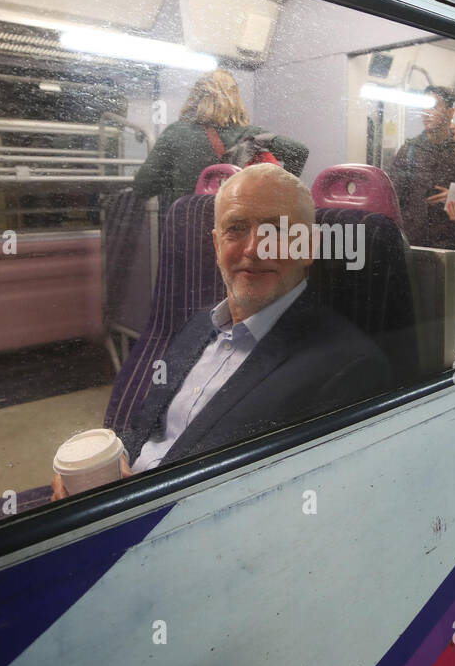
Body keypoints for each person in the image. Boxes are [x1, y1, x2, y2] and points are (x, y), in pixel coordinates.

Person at [54, 164, 390, 496]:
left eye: (276, 230)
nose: (253, 249)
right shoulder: (199, 325)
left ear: (310, 247)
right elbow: (146, 429)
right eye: (236, 228)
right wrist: (108, 465)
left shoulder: (347, 370)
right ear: (217, 246)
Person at [132, 69, 308, 211]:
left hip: (189, 229)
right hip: (236, 229)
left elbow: (143, 186)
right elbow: (299, 151)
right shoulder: (253, 136)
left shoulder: (176, 132)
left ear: (196, 97)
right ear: (236, 99)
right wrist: (282, 192)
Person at [388, 86, 455, 249]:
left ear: (451, 112)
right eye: (424, 106)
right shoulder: (409, 150)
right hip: (409, 246)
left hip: (446, 246)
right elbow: (392, 198)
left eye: (434, 106)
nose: (426, 112)